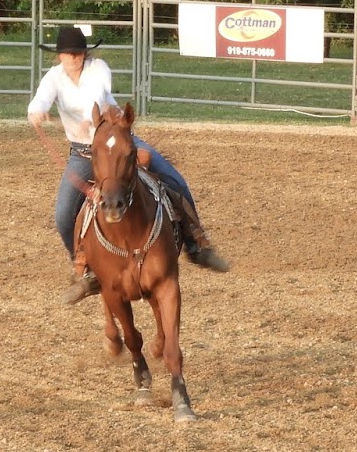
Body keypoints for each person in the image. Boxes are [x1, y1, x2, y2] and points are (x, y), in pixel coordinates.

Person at [26, 25, 230, 305]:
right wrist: (36, 110)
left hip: (119, 142)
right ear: (59, 56)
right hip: (84, 152)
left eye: (78, 52)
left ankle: (196, 243)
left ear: (85, 54)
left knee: (174, 179)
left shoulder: (98, 68)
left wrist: (91, 117)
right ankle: (84, 269)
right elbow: (42, 97)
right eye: (69, 53)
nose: (74, 57)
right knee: (63, 214)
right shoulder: (54, 78)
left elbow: (99, 93)